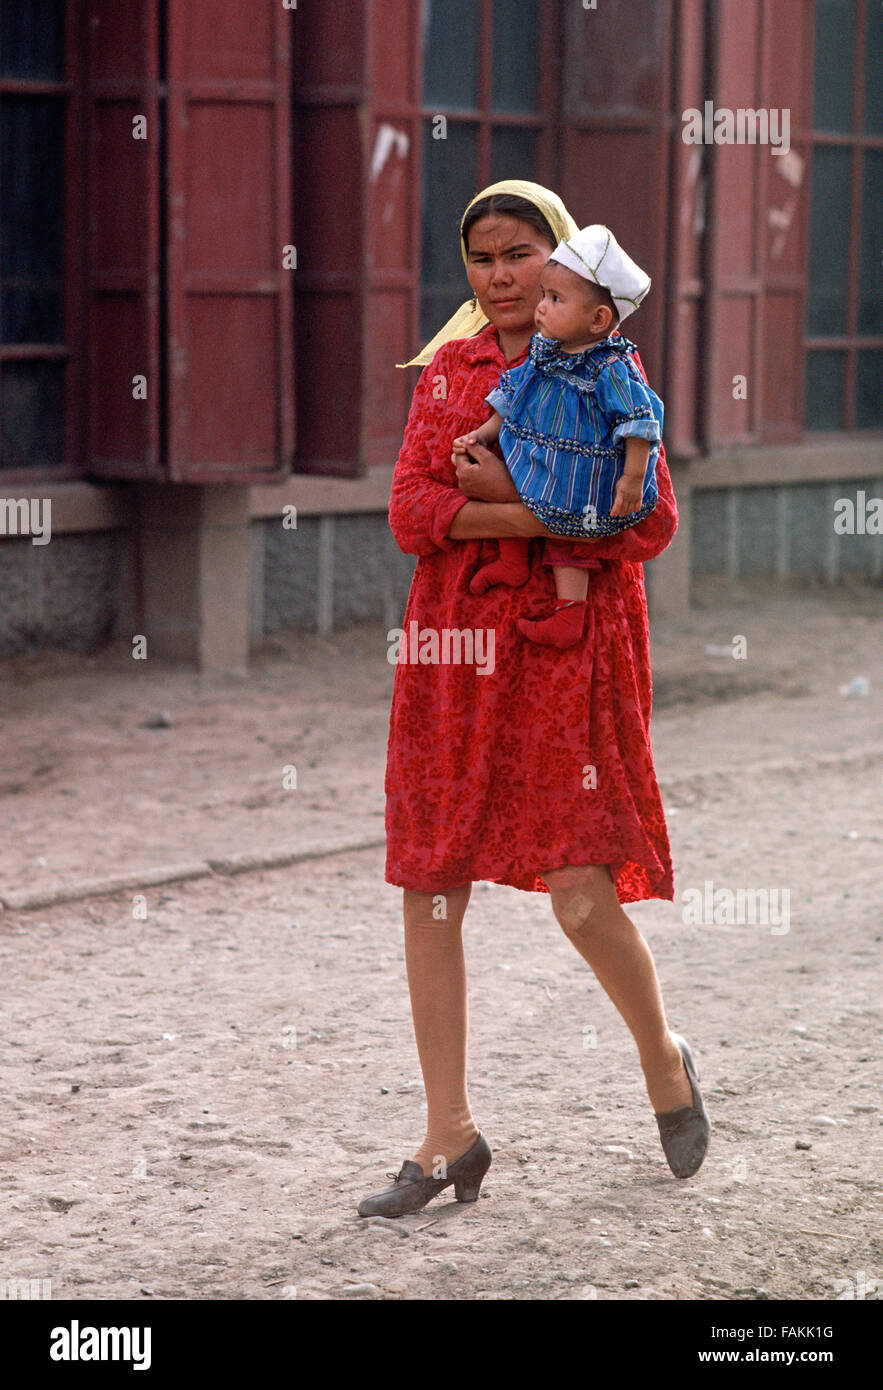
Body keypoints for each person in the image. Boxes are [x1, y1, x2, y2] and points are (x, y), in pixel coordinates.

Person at [358, 180, 710, 1220]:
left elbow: (643, 520)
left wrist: (497, 508)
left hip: (565, 655)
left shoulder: (607, 366)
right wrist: (538, 514)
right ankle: (445, 1135)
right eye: (480, 257)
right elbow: (407, 507)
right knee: (431, 882)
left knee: (579, 889)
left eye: (520, 254)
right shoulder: (450, 370)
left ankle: (662, 1055)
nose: (500, 276)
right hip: (451, 649)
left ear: (564, 263)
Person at [451, 225, 664, 649]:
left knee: (570, 539)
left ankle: (570, 610)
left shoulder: (611, 368)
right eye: (544, 295)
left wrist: (633, 478)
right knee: (500, 482)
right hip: (535, 459)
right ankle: (512, 561)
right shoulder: (544, 352)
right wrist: (483, 433)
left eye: (555, 299)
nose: (541, 308)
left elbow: (639, 422)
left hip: (579, 478)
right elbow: (512, 395)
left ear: (599, 319)